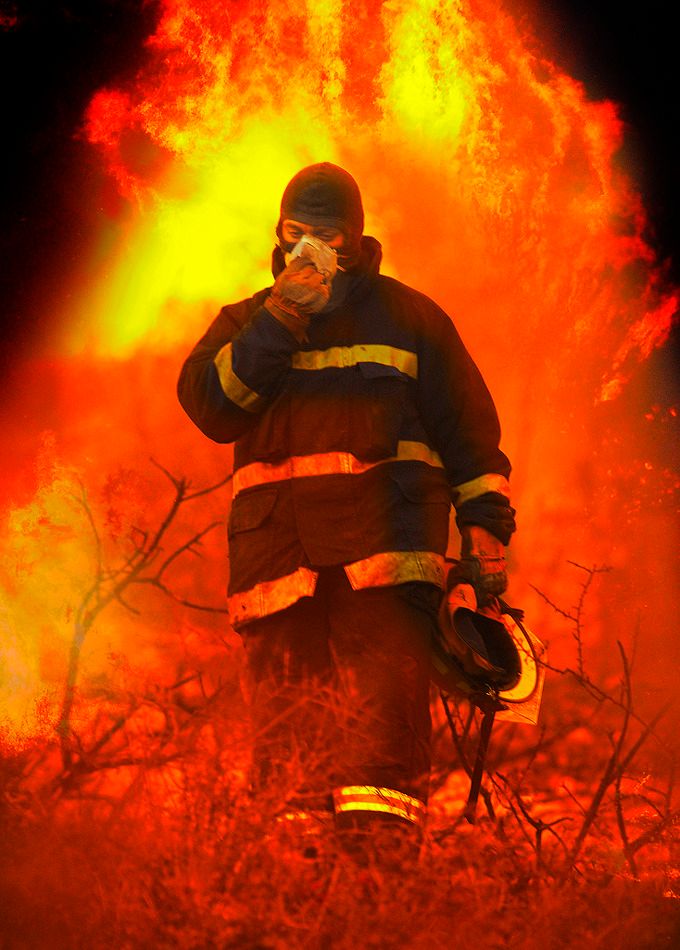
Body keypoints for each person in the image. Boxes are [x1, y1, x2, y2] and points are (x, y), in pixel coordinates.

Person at [177, 162, 515, 856]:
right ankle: (288, 899)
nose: (309, 252)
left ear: (355, 242)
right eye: (296, 235)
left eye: (325, 238)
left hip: (384, 562)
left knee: (381, 741)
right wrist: (281, 317)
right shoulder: (247, 324)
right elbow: (213, 410)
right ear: (278, 234)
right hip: (280, 565)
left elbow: (470, 432)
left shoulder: (412, 318)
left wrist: (486, 534)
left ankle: (380, 889)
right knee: (287, 742)